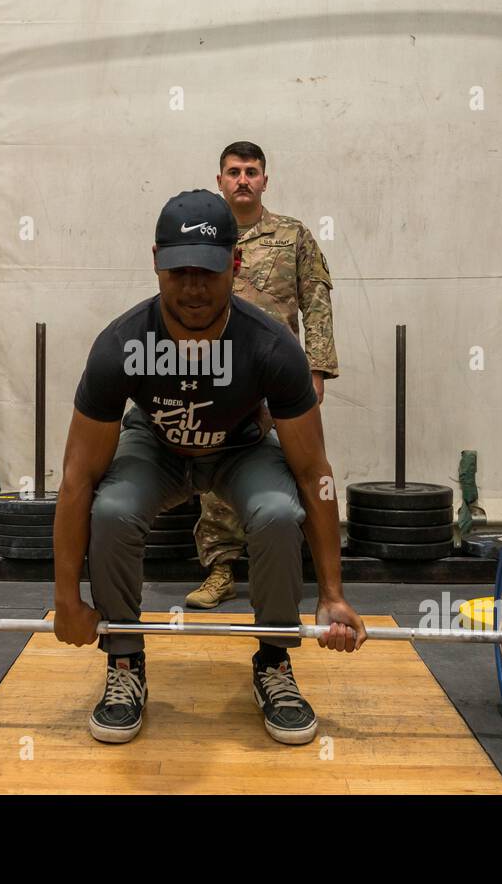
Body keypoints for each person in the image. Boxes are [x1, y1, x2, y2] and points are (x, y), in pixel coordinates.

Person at [52, 188, 365, 746]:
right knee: (115, 508)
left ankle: (274, 663)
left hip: (241, 447)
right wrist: (66, 600)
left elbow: (315, 470)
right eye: (179, 272)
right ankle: (123, 662)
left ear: (236, 264)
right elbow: (77, 478)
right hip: (156, 446)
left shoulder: (270, 347)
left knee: (275, 512)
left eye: (209, 272)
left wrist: (333, 594)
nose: (194, 288)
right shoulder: (120, 345)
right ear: (155, 262)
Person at [186, 141, 339, 610]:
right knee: (217, 471)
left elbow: (316, 302)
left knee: (302, 469)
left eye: (252, 171)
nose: (243, 180)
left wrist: (316, 369)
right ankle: (220, 571)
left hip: (280, 377)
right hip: (218, 373)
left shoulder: (292, 236)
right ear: (220, 181)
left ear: (265, 181)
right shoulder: (204, 237)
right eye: (234, 171)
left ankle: (313, 575)